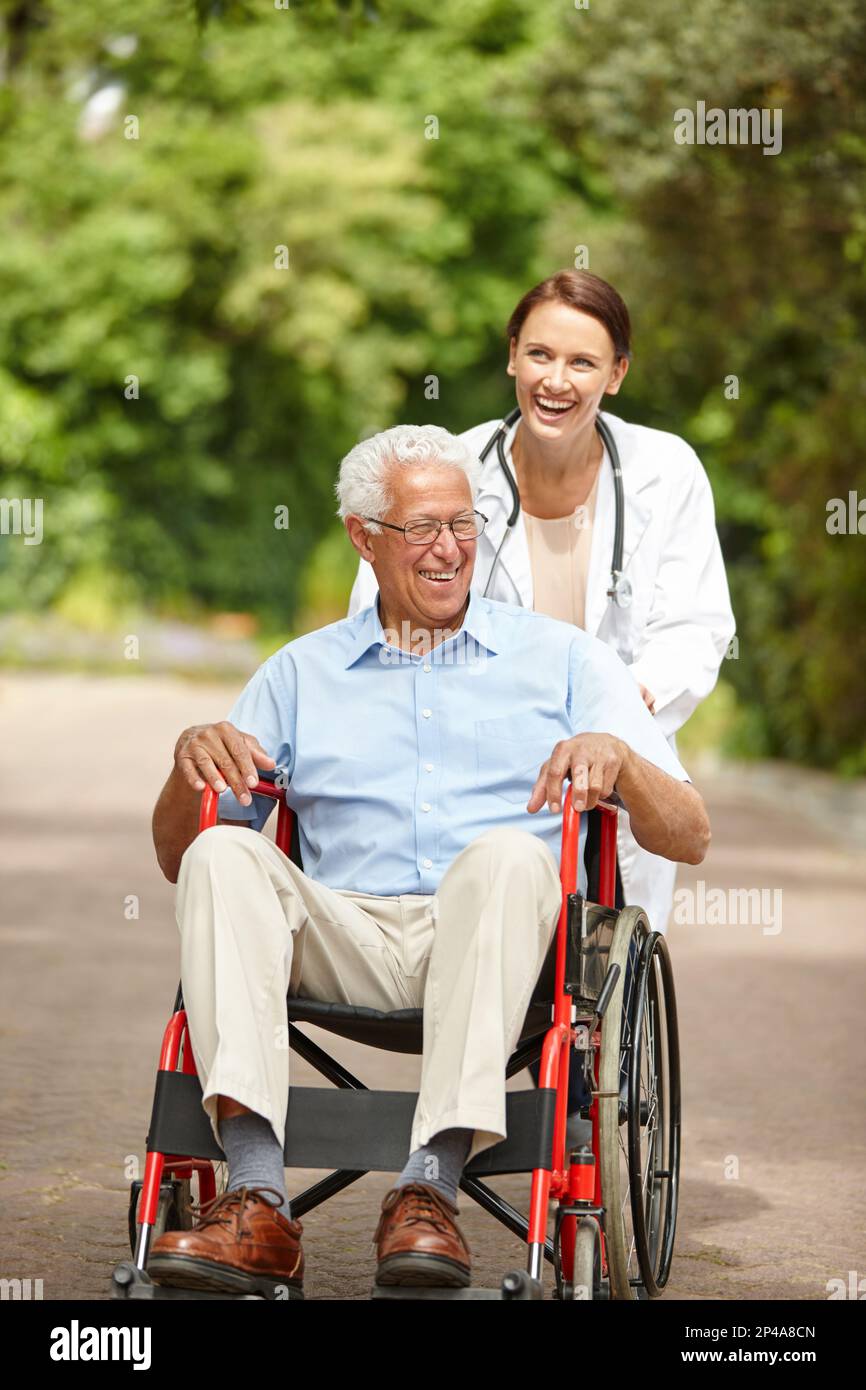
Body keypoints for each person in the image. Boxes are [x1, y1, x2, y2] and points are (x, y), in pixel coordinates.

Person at [149, 423, 710, 1296]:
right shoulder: (300, 673)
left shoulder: (561, 659)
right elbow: (178, 857)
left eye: (465, 524)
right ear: (363, 537)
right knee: (225, 853)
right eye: (423, 529)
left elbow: (691, 836)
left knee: (506, 856)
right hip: (345, 934)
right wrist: (189, 772)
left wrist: (625, 760)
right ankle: (257, 1200)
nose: (450, 550)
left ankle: (429, 1191)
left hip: (500, 939)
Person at [348, 270, 735, 939]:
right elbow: (381, 612)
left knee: (598, 978)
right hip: (481, 757)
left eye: (582, 362)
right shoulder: (452, 468)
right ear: (511, 356)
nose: (556, 380)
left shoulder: (666, 472)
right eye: (540, 355)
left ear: (616, 374)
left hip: (616, 756)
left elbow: (695, 628)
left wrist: (622, 702)